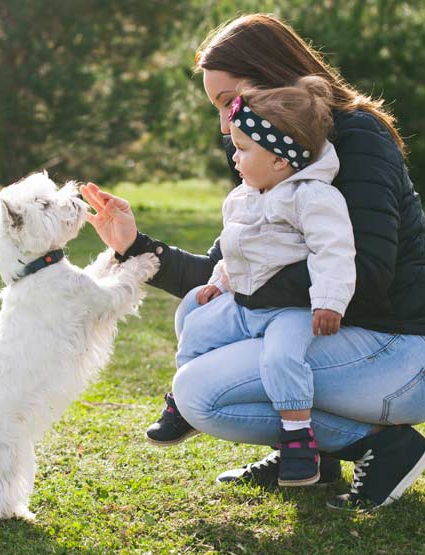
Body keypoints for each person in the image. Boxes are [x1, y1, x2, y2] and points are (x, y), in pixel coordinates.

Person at [79, 13, 425, 512]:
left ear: (271, 76)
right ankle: (309, 457)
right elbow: (222, 271)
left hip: (404, 355)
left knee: (199, 393)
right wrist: (133, 244)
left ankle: (385, 446)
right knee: (205, 334)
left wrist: (241, 287)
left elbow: (365, 272)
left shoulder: (358, 137)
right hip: (338, 344)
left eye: (228, 103)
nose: (224, 125)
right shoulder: (266, 157)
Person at [144, 76, 356, 489]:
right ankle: (182, 404)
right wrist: (218, 282)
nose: (234, 157)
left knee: (282, 360)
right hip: (244, 305)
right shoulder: (242, 196)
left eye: (243, 149)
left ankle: (298, 439)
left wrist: (329, 301)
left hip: (288, 312)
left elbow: (334, 250)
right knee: (197, 323)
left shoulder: (312, 196)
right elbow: (236, 248)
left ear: (280, 159)